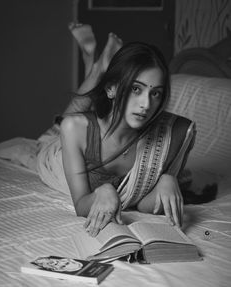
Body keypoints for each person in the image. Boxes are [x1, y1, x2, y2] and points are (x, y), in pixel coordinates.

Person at [37, 24, 196, 238]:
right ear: (111, 88)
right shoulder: (75, 129)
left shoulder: (174, 135)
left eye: (155, 94)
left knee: (92, 117)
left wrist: (167, 180)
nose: (146, 104)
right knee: (54, 132)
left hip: (104, 122)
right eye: (136, 89)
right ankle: (95, 71)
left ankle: (95, 66)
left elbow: (142, 203)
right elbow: (81, 204)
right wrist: (103, 191)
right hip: (55, 156)